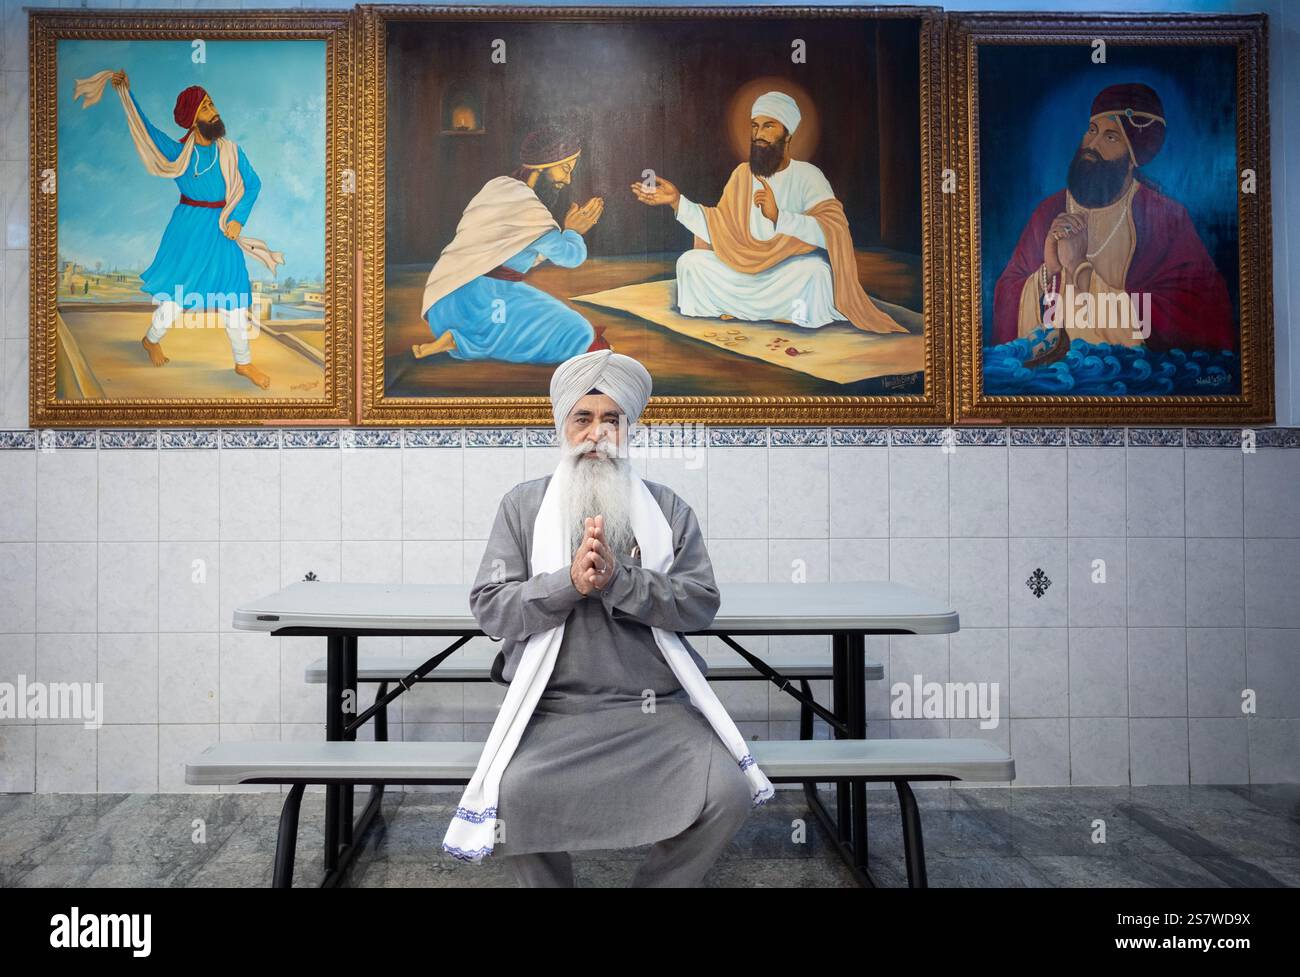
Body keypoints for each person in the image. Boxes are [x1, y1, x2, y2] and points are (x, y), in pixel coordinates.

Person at [452, 349, 769, 887]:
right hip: (550, 711)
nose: (598, 433)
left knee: (728, 793)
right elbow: (490, 608)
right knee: (509, 794)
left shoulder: (666, 510)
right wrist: (568, 585)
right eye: (583, 418)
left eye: (612, 419)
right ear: (563, 426)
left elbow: (699, 604)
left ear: (630, 429)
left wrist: (623, 580)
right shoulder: (522, 507)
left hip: (656, 711)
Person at [631, 90, 906, 333]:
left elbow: (832, 231)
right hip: (740, 267)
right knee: (690, 263)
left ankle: (750, 310)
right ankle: (767, 311)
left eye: (769, 125)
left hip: (785, 274)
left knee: (816, 273)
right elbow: (718, 226)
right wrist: (677, 201)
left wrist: (779, 217)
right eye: (754, 126)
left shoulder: (809, 176)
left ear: (787, 133)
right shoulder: (741, 174)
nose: (758, 134)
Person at [74, 70, 282, 388]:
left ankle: (243, 363)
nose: (215, 112)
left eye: (213, 105)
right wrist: (127, 94)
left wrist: (239, 217)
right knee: (178, 295)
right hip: (188, 230)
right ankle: (152, 339)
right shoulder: (178, 154)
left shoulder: (232, 151)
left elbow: (253, 185)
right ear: (192, 118)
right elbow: (146, 130)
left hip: (223, 228)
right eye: (206, 108)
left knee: (235, 295)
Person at [991, 82, 1235, 353]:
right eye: (1092, 131)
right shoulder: (1049, 211)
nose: (1091, 145)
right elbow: (1007, 299)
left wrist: (1079, 267)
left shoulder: (1166, 219)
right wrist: (1049, 271)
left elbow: (1191, 313)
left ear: (1133, 157)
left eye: (1110, 137)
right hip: (1055, 377)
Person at [415, 129, 610, 363]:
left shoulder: (498, 187)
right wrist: (573, 230)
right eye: (565, 169)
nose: (567, 180)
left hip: (444, 303)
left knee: (522, 311)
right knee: (579, 331)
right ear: (544, 164)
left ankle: (458, 339)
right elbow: (570, 256)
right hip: (486, 301)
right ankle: (470, 340)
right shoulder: (527, 208)